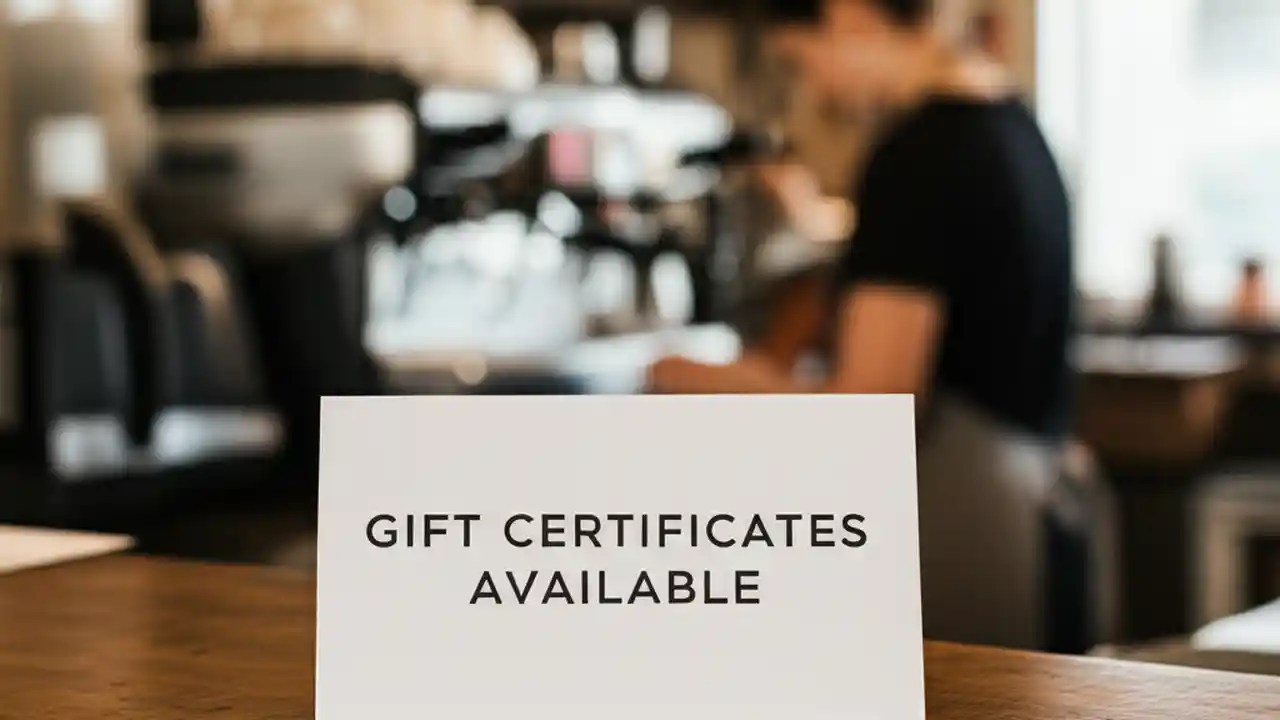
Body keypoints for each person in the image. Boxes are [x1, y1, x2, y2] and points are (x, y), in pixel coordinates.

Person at [650, 0, 1076, 650]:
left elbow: (880, 405)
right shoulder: (1011, 124)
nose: (814, 87)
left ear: (853, 18)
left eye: (803, 58)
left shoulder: (921, 156)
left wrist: (705, 381)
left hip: (965, 521)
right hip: (1031, 496)